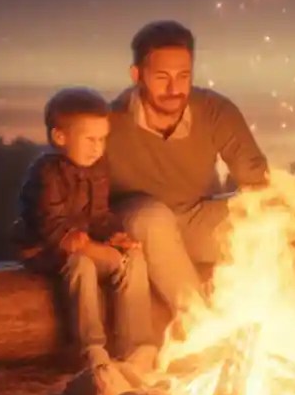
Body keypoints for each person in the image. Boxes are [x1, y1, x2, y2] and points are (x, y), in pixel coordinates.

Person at [106, 20, 270, 319]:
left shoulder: (213, 111)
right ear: (137, 75)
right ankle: (201, 324)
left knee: (264, 216)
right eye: (162, 77)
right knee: (153, 218)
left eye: (183, 76)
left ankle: (268, 324)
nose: (174, 89)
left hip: (192, 219)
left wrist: (271, 218)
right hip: (136, 226)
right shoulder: (109, 123)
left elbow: (258, 183)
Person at [16, 86, 158, 372]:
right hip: (46, 249)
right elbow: (54, 230)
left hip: (84, 242)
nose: (97, 147)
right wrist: (97, 250)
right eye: (90, 139)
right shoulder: (46, 173)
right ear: (60, 137)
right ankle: (91, 349)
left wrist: (116, 237)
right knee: (82, 265)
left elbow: (99, 216)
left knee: (133, 259)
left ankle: (137, 348)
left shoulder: (97, 167)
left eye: (102, 139)